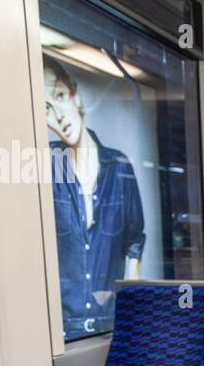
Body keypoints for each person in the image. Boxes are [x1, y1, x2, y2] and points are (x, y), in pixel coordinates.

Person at [44, 57, 146, 340]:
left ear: (74, 94)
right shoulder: (46, 166)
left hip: (112, 322)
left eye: (60, 97)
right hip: (63, 327)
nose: (59, 116)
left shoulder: (119, 166)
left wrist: (131, 313)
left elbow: (134, 242)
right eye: (46, 109)